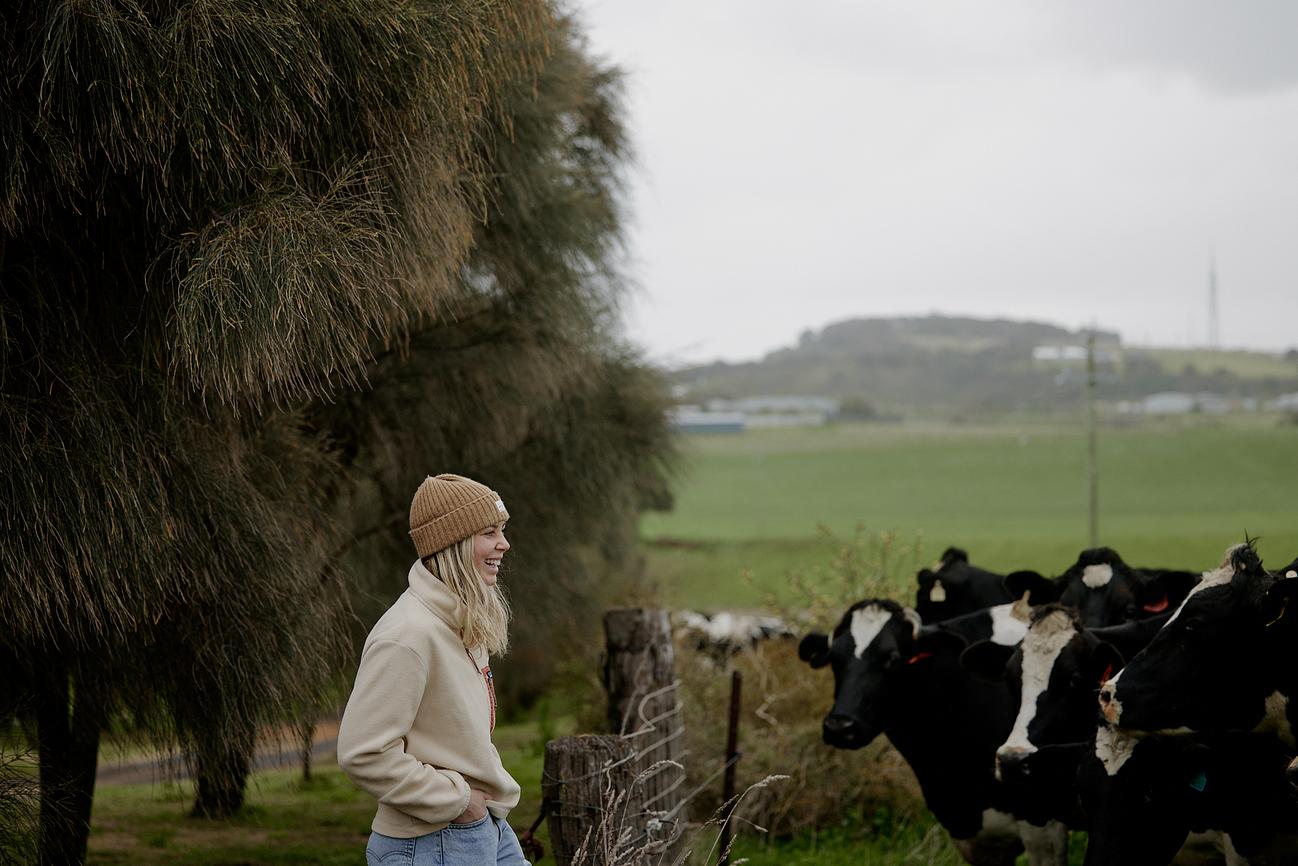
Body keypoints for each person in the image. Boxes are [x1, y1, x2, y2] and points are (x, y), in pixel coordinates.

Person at [338, 473, 529, 866]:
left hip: (484, 826)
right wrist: (459, 802)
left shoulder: (461, 623)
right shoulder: (408, 635)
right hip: (434, 841)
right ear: (453, 543)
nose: (504, 544)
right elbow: (364, 752)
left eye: (502, 530)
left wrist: (477, 810)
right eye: (489, 532)